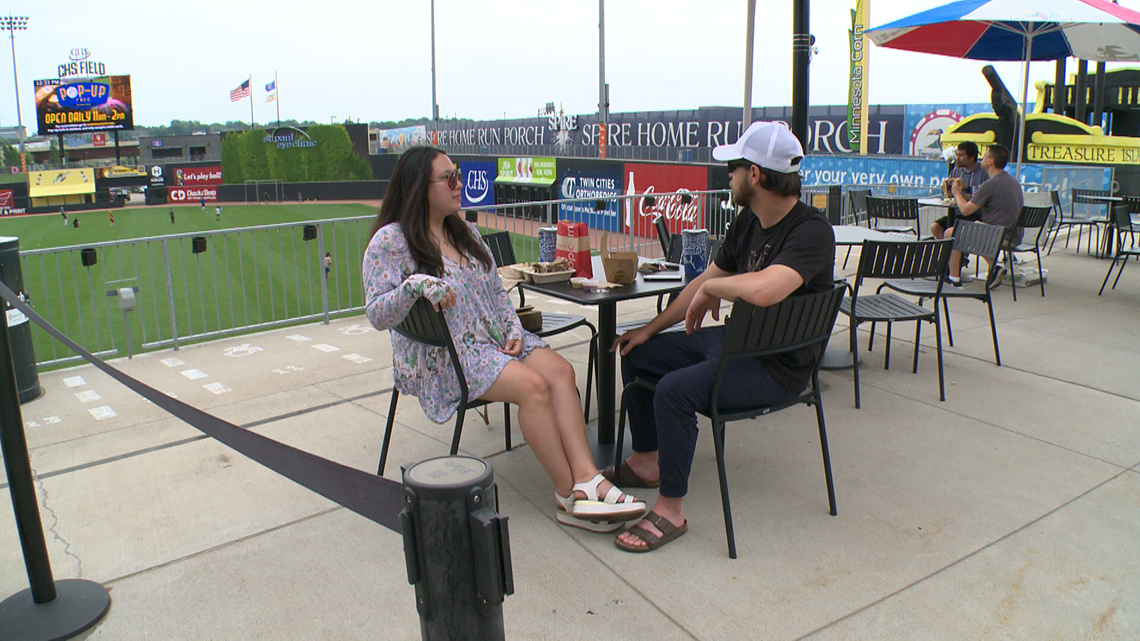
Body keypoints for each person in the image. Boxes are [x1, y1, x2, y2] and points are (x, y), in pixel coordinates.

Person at [363, 146, 646, 532]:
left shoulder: (464, 232)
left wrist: (513, 330)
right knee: (533, 387)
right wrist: (414, 285)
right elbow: (377, 313)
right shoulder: (391, 242)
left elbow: (497, 294)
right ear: (418, 187)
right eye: (448, 178)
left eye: (458, 174)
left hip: (494, 340)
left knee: (561, 372)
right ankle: (569, 496)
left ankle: (588, 478)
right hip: (449, 359)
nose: (459, 183)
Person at [610, 121, 836, 553]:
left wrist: (715, 287)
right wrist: (650, 329)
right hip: (738, 344)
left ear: (755, 174)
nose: (727, 176)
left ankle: (671, 510)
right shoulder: (747, 222)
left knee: (674, 390)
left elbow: (767, 288)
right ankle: (647, 461)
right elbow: (702, 283)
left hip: (777, 367)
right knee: (638, 353)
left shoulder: (812, 231)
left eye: (733, 168)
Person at [945, 143, 1023, 286]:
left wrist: (956, 193)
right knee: (975, 227)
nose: (982, 159)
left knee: (951, 232)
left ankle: (954, 279)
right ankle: (995, 267)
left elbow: (965, 210)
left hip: (999, 235)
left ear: (990, 161)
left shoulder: (990, 184)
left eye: (985, 156)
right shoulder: (1012, 181)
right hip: (1013, 234)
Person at [931, 142, 988, 242]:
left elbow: (983, 194)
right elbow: (945, 193)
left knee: (949, 232)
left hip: (974, 215)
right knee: (935, 227)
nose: (957, 158)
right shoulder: (956, 170)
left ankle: (955, 250)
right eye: (957, 154)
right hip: (956, 213)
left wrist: (967, 188)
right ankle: (950, 250)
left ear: (971, 157)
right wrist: (947, 186)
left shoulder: (983, 172)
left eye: (961, 155)